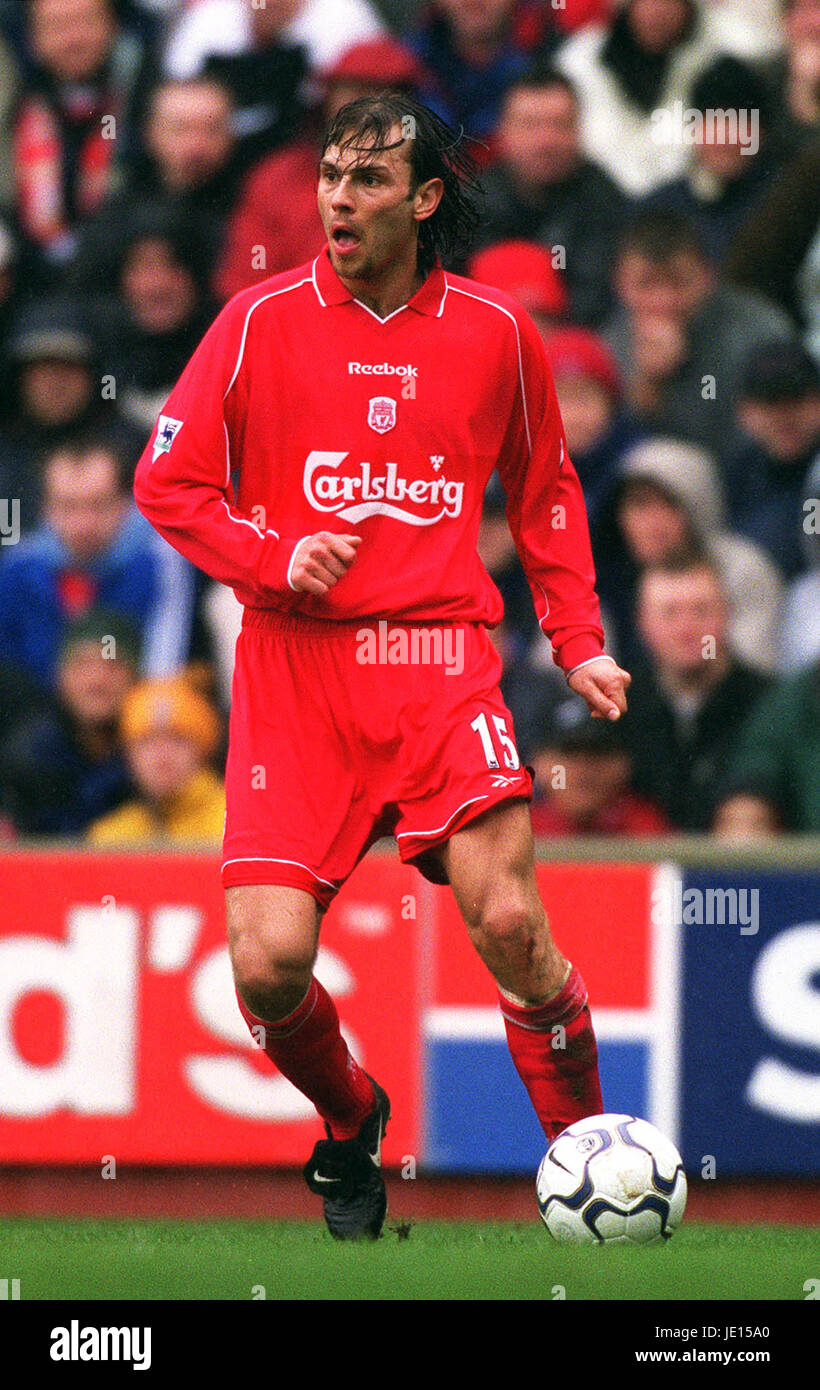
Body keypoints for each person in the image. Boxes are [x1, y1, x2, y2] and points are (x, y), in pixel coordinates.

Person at [133, 94, 630, 1241]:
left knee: (509, 918)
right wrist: (271, 551)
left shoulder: (497, 332)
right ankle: (351, 1119)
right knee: (266, 966)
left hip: (437, 657)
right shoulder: (256, 323)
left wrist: (579, 639)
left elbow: (545, 486)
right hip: (293, 671)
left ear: (423, 199)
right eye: (329, 177)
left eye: (366, 181)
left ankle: (591, 1163)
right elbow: (170, 482)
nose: (337, 200)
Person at [617, 552, 772, 829]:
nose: (686, 629)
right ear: (643, 623)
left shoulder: (769, 703)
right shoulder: (618, 706)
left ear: (727, 614)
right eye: (670, 612)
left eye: (701, 610)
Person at [469, 66, 630, 325]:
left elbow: (600, 303)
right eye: (530, 125)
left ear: (579, 132)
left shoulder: (605, 203)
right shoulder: (469, 205)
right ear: (503, 132)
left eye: (560, 125)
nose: (546, 141)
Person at [0, 608, 137, 836]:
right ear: (59, 677)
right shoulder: (26, 757)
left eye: (112, 666)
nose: (96, 681)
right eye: (82, 665)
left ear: (135, 675)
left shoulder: (153, 755)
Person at [87, 673, 226, 845]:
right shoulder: (112, 835)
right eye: (147, 741)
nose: (162, 753)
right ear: (129, 756)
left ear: (202, 752)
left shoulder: (235, 822)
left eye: (177, 739)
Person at [529, 691, 671, 836]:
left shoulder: (646, 829)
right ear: (540, 765)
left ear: (623, 764)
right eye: (568, 754)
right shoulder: (518, 830)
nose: (582, 768)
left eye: (597, 753)